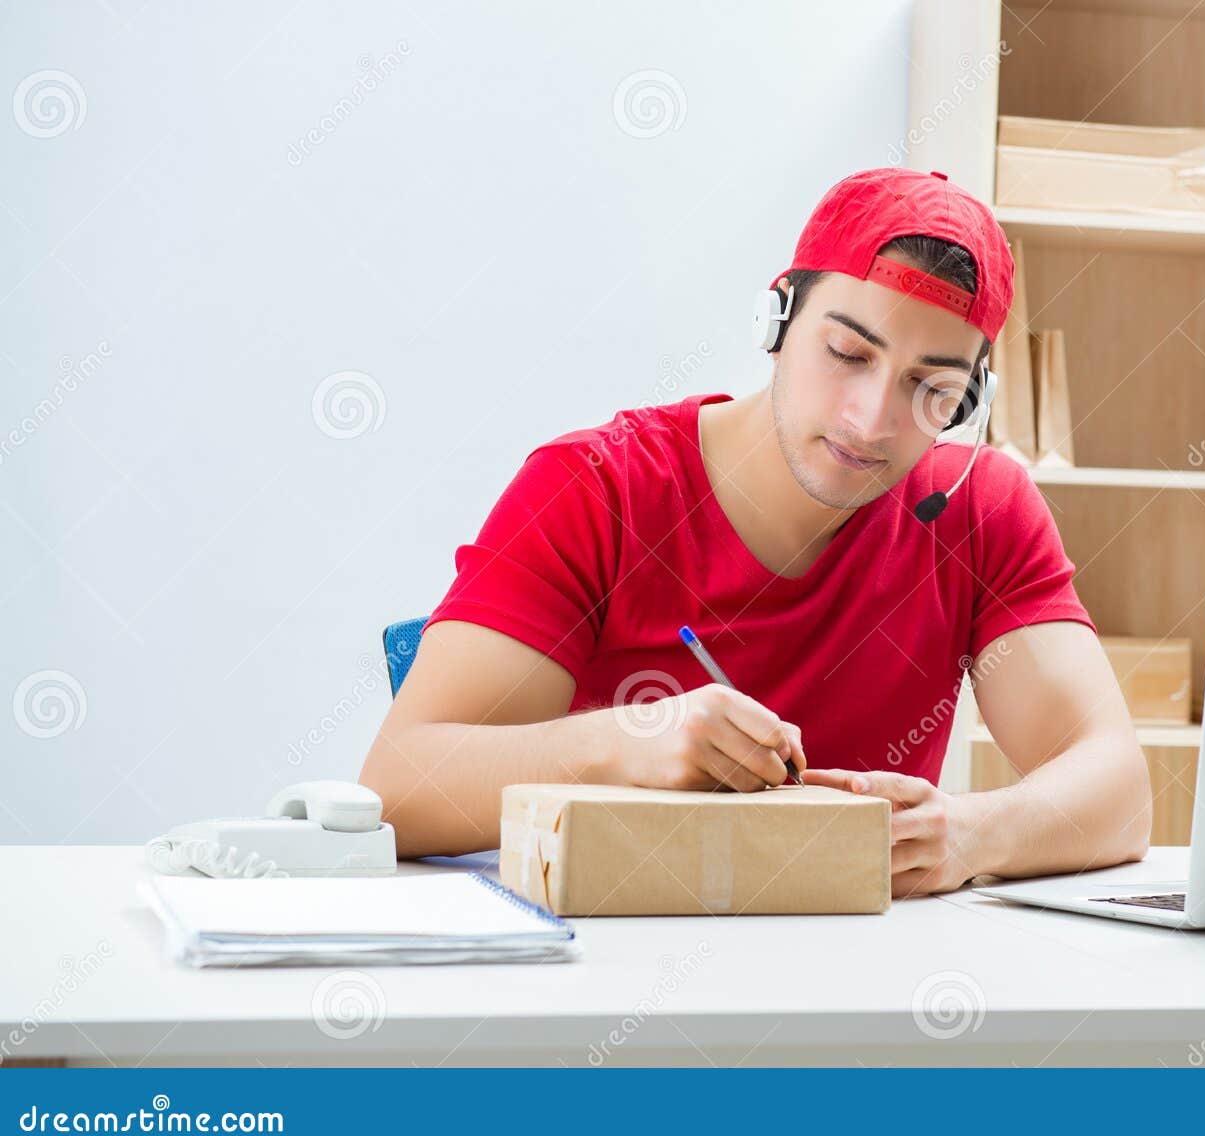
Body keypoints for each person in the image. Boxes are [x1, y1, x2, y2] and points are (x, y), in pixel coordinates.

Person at [360, 167, 1151, 896]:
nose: (870, 419)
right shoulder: (597, 489)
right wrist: (623, 744)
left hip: (858, 991)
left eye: (931, 387)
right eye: (847, 352)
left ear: (968, 402)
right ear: (777, 317)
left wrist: (973, 836)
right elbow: (398, 786)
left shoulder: (979, 509)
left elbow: (1118, 789)